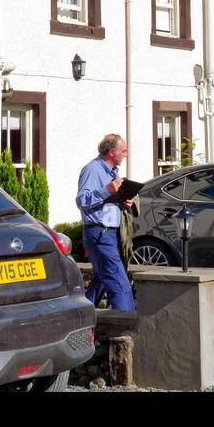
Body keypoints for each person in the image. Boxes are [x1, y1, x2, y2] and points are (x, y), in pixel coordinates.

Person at [76, 133, 135, 311]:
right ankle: (125, 329)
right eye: (123, 151)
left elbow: (106, 203)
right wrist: (106, 190)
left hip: (109, 233)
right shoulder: (92, 170)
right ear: (111, 152)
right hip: (99, 234)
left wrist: (122, 202)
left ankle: (81, 318)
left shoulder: (112, 173)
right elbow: (82, 201)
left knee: (101, 280)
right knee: (119, 281)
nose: (125, 155)